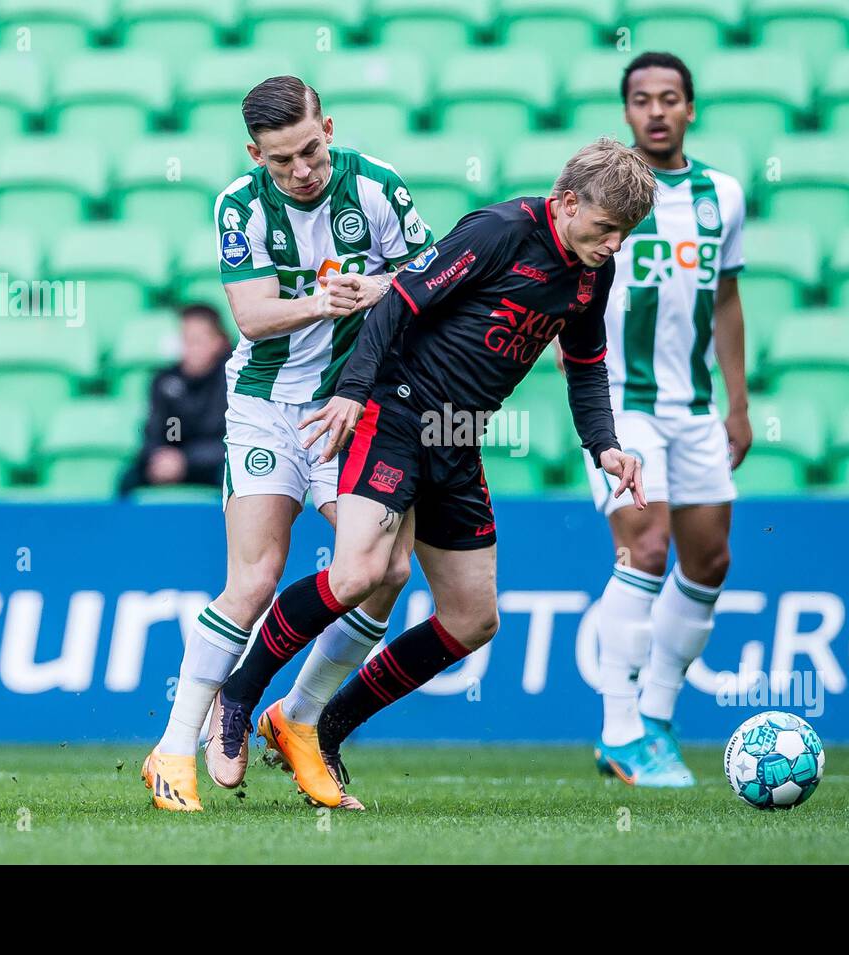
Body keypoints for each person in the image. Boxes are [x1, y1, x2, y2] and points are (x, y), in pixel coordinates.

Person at [214, 138, 655, 808]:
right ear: (566, 203)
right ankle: (241, 694)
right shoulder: (500, 231)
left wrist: (606, 446)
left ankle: (317, 726)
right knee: (359, 571)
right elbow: (398, 303)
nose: (615, 244)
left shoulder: (595, 271)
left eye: (625, 235)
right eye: (605, 229)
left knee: (474, 617)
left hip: (456, 437)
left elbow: (586, 360)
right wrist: (355, 391)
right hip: (395, 411)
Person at [141, 74, 434, 812]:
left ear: (327, 127)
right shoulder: (238, 204)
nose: (302, 170)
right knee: (255, 577)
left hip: (351, 408)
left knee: (388, 569)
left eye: (310, 151)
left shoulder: (377, 190)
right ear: (255, 154)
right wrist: (331, 297)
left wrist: (383, 290)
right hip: (267, 407)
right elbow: (250, 315)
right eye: (282, 161)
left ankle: (297, 717)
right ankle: (175, 749)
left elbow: (434, 279)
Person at [589, 52, 751, 787]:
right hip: (623, 402)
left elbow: (724, 300)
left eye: (670, 98)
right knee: (645, 547)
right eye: (642, 99)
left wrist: (739, 403)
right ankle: (619, 729)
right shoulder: (601, 192)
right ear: (626, 112)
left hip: (695, 407)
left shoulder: (724, 195)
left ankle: (655, 716)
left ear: (690, 108)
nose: (656, 111)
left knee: (708, 559)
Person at [119, 303, 230, 496]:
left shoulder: (234, 378)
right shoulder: (164, 380)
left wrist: (186, 460)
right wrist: (159, 456)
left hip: (213, 464)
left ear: (218, 342)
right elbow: (153, 432)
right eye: (184, 340)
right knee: (128, 478)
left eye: (196, 341)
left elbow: (231, 441)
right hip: (172, 462)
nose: (189, 348)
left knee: (231, 475)